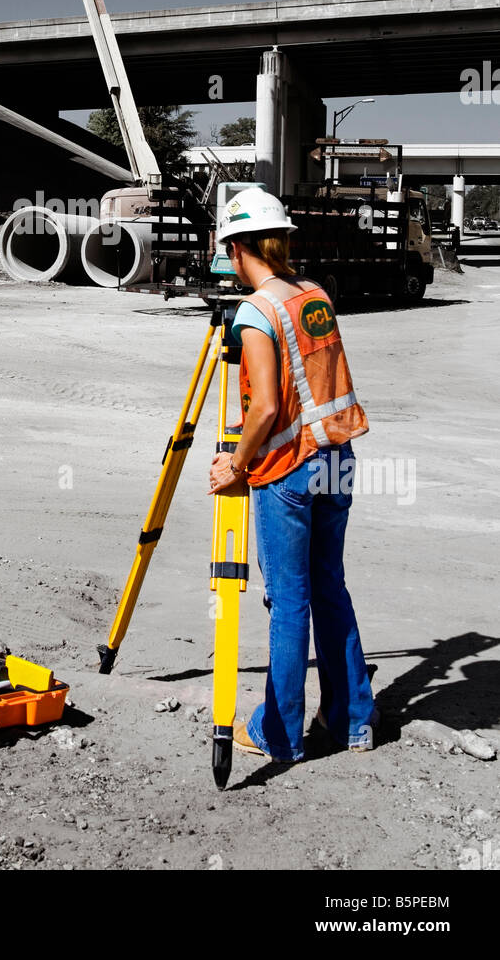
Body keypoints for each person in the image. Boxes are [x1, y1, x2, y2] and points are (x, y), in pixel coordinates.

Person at [209, 187, 377, 764]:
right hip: (337, 460)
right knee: (330, 587)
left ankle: (280, 735)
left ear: (237, 248)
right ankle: (353, 719)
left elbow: (264, 411)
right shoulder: (314, 294)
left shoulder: (256, 313)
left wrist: (235, 464)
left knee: (290, 600)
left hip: (288, 472)